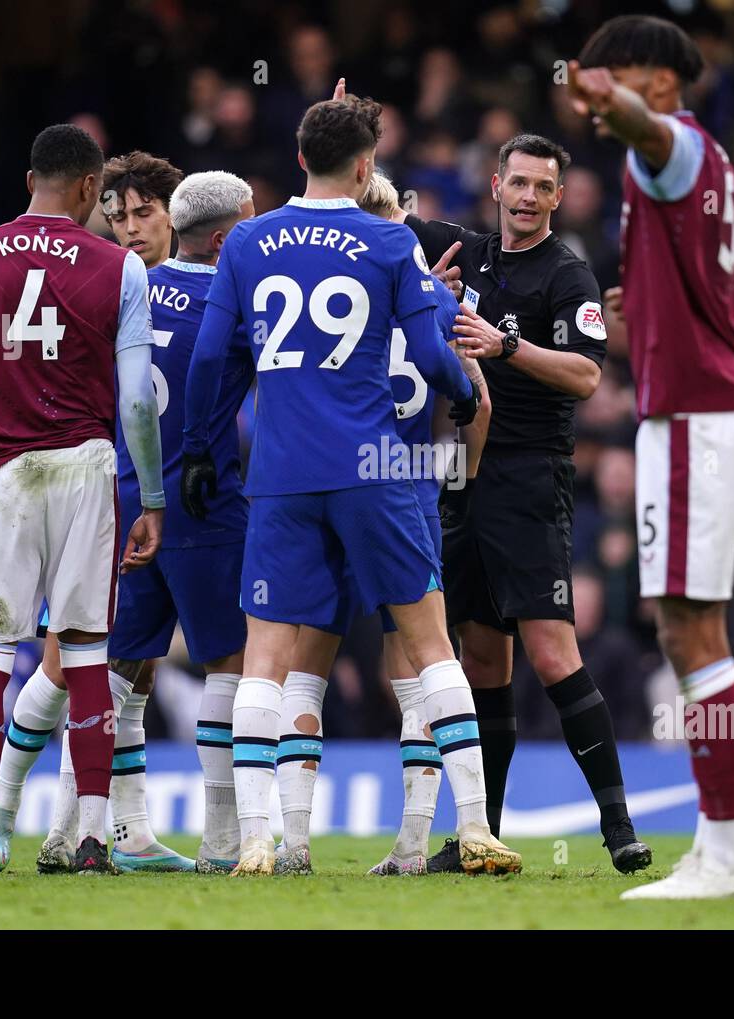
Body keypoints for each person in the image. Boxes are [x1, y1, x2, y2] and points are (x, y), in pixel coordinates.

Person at [181, 93, 520, 876]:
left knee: (265, 658)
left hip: (281, 472)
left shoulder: (248, 242)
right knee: (430, 644)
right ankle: (474, 828)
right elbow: (432, 354)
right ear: (366, 166)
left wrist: (203, 447)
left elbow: (210, 359)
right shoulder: (388, 242)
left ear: (300, 157)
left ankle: (260, 841)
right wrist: (466, 396)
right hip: (374, 469)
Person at [569, 14, 734, 899]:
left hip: (699, 413)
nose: (598, 95)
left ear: (659, 79)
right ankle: (718, 846)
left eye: (614, 75)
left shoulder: (672, 147)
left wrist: (610, 102)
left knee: (693, 625)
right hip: (704, 408)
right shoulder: (717, 170)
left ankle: (728, 854)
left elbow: (642, 128)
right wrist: (667, 300)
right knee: (685, 623)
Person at [0, 160, 258, 874]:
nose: (131, 227)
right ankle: (219, 839)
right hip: (188, 504)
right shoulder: (228, 297)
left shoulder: (105, 292)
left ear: (176, 218)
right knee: (212, 665)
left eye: (144, 214)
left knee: (109, 674)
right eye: (119, 215)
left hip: (118, 503)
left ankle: (84, 831)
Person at [401, 130, 652, 875]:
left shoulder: (567, 275)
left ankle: (619, 827)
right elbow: (376, 216)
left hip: (529, 477)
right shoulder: (465, 252)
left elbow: (584, 375)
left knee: (550, 652)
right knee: (481, 658)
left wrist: (504, 346)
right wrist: (351, 139)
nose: (530, 197)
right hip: (462, 474)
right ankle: (485, 833)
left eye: (545, 187)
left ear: (558, 196)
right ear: (496, 186)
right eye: (520, 183)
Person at [0, 123, 164, 876]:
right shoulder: (120, 268)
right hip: (86, 470)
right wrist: (149, 494)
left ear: (31, 181)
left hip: (2, 473)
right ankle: (93, 838)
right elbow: (137, 407)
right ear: (91, 188)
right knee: (87, 652)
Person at [270, 170, 492, 875]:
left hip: (311, 473)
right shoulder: (421, 287)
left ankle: (292, 842)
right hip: (400, 482)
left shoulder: (315, 274)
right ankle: (417, 844)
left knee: (307, 662)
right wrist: (462, 477)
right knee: (421, 661)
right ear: (394, 213)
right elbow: (475, 399)